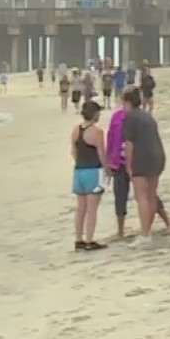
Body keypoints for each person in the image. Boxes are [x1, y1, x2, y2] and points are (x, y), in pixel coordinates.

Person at [108, 87, 170, 239]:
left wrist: (129, 166)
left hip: (142, 159)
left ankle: (145, 233)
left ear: (128, 102)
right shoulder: (147, 116)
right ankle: (148, 230)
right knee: (151, 195)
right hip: (157, 156)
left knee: (141, 197)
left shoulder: (130, 117)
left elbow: (129, 144)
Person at [70, 99, 108, 251]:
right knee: (92, 209)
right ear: (95, 114)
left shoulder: (76, 130)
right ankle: (90, 240)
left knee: (81, 209)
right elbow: (102, 154)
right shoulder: (97, 132)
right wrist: (107, 170)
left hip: (79, 171)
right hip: (93, 171)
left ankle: (78, 239)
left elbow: (74, 152)